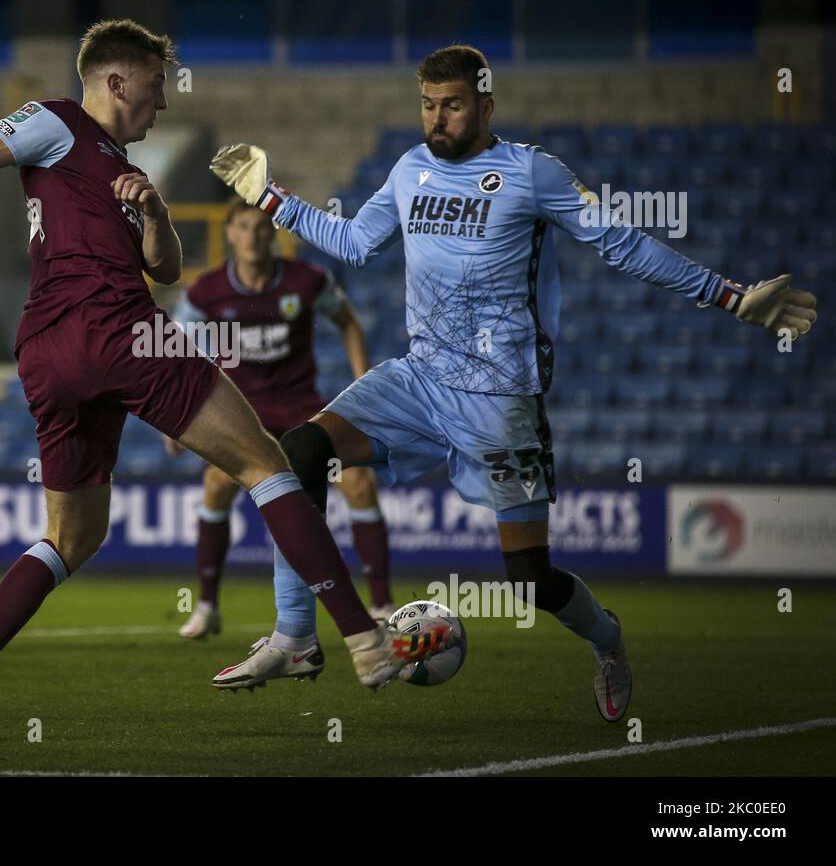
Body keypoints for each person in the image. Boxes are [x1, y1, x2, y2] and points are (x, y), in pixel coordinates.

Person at [0, 19, 444, 741]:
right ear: (116, 80)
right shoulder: (56, 120)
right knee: (267, 463)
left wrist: (154, 211)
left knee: (72, 537)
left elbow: (164, 267)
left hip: (45, 349)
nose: (163, 104)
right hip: (115, 327)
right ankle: (361, 634)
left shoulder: (114, 165)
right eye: (156, 87)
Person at [209, 43, 818, 722]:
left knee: (529, 581)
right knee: (299, 450)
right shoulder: (410, 169)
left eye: (454, 105)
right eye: (429, 105)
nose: (438, 119)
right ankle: (296, 636)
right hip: (419, 379)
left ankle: (608, 640)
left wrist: (730, 297)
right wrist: (272, 199)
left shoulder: (532, 173)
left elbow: (622, 243)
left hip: (501, 402)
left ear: (486, 106)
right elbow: (355, 242)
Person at [168, 200, 395, 689]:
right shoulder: (204, 292)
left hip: (302, 411)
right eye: (243, 226)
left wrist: (362, 382)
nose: (253, 235)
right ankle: (207, 605)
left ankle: (380, 604)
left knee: (358, 484)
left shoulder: (307, 281)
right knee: (215, 488)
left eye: (261, 226)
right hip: (240, 414)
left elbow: (349, 322)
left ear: (274, 235)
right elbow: (179, 351)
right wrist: (174, 420)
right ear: (229, 234)